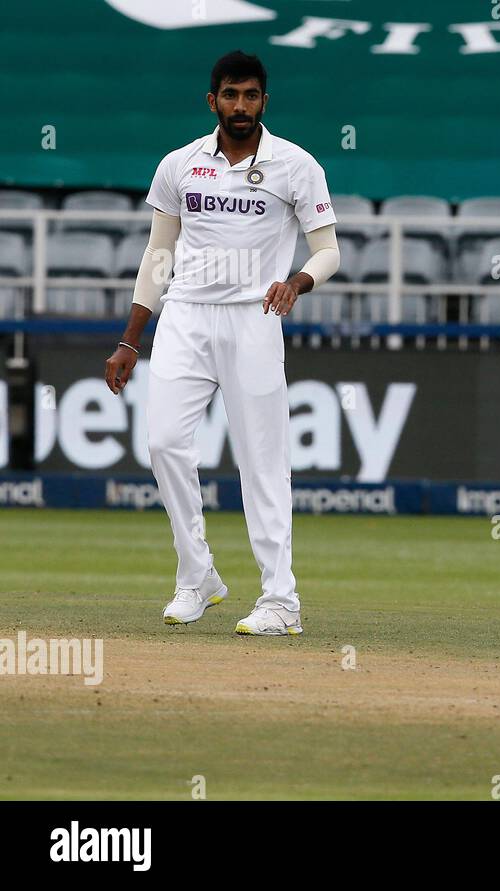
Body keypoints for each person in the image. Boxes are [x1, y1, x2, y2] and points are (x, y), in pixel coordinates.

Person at [103, 50, 340, 636]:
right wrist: (130, 340)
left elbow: (329, 250)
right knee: (162, 444)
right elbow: (158, 256)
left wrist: (298, 282)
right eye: (230, 95)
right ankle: (197, 577)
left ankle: (280, 600)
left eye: (251, 95)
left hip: (254, 317)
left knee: (262, 461)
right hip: (184, 316)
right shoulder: (179, 165)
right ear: (213, 101)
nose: (241, 105)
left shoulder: (296, 165)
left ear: (264, 101)